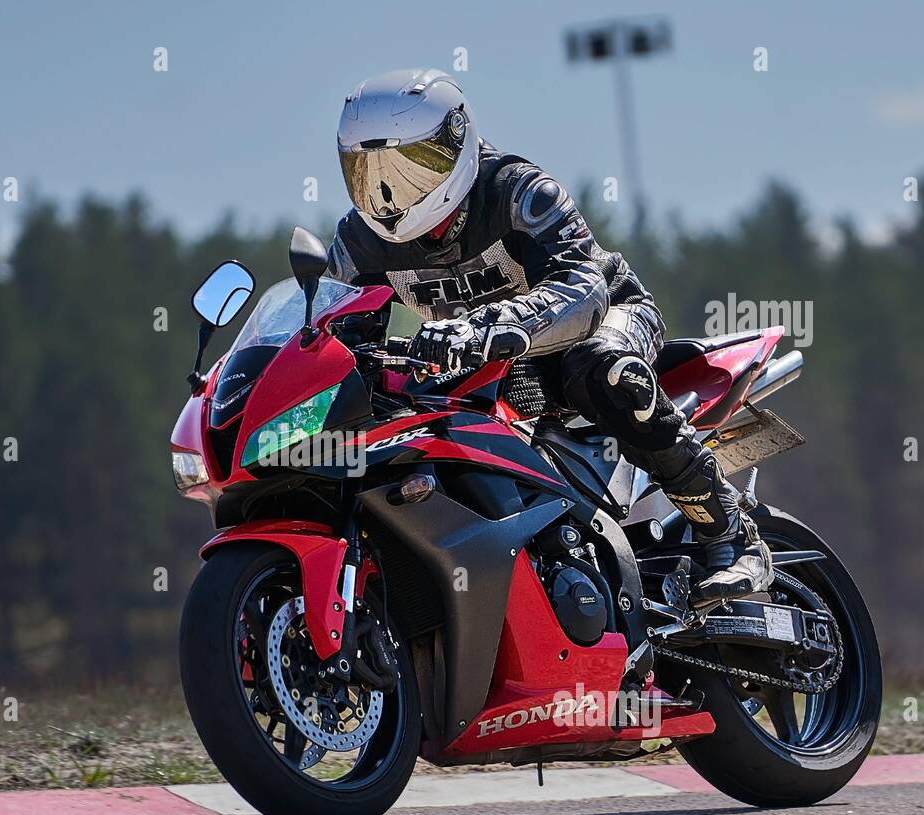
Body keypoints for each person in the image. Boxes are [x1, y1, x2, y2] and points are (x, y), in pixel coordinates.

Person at [328, 68, 771, 604]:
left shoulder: (518, 191)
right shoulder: (358, 243)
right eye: (368, 170)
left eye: (410, 167)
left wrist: (498, 324)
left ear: (456, 142)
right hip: (487, 365)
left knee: (603, 368)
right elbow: (332, 330)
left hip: (606, 316)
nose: (387, 192)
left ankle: (731, 533)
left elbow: (584, 287)